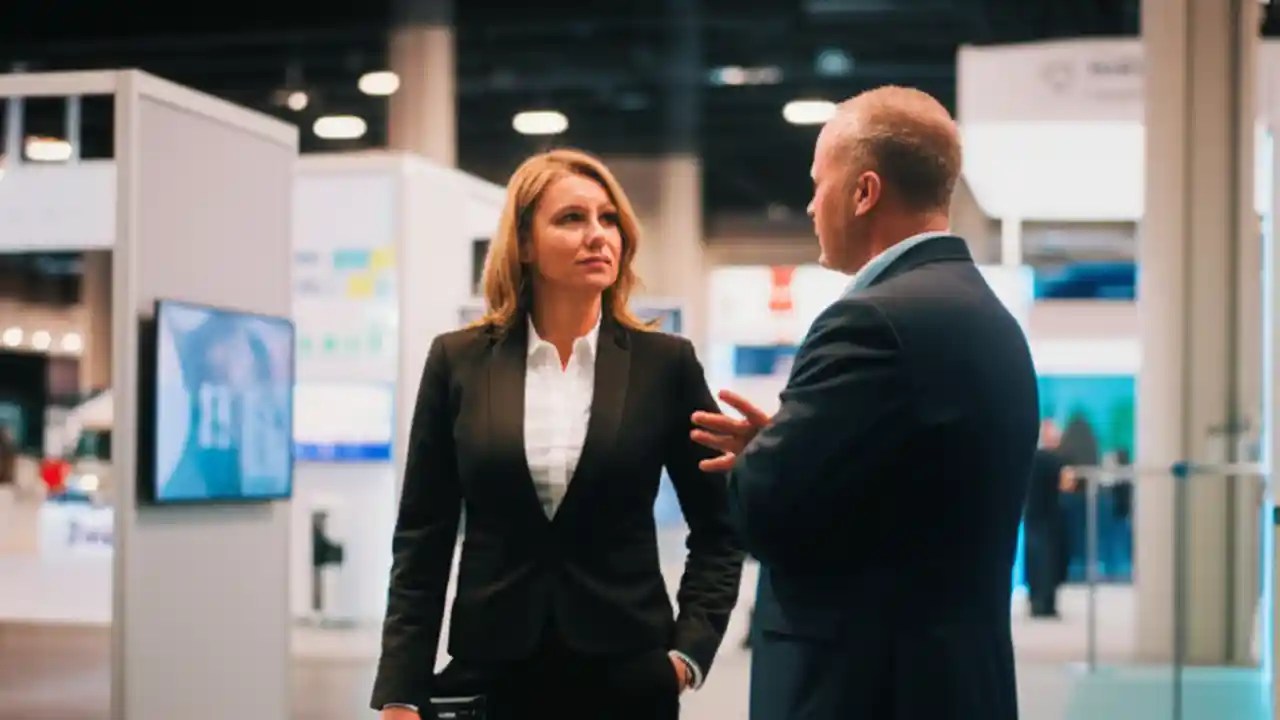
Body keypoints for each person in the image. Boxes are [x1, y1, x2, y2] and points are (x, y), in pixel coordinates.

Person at [691, 86, 1039, 720]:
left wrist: (759, 466)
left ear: (864, 192)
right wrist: (787, 448)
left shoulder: (869, 322)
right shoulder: (988, 317)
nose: (809, 204)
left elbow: (767, 515)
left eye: (819, 184)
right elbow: (899, 491)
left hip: (863, 687)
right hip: (951, 681)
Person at [371, 148, 744, 720]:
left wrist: (686, 654)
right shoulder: (460, 361)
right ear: (523, 243)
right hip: (493, 675)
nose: (599, 235)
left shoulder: (664, 364)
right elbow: (423, 537)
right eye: (572, 218)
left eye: (609, 218)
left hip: (629, 675)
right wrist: (400, 689)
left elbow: (720, 528)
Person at [1024, 419, 1071, 618]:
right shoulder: (1056, 461)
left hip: (1032, 515)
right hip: (1051, 515)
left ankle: (1036, 601)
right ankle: (1047, 603)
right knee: (1050, 559)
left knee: (1035, 559)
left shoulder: (1030, 457)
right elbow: (1067, 485)